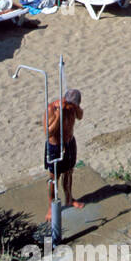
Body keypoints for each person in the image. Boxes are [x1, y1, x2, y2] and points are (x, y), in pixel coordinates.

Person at [45, 89, 84, 222]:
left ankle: (69, 198)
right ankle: (51, 206)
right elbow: (48, 132)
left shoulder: (74, 108)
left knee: (69, 172)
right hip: (55, 146)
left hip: (69, 143)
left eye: (74, 106)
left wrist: (76, 108)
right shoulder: (52, 108)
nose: (71, 109)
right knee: (53, 177)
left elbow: (80, 116)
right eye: (70, 106)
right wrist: (59, 115)